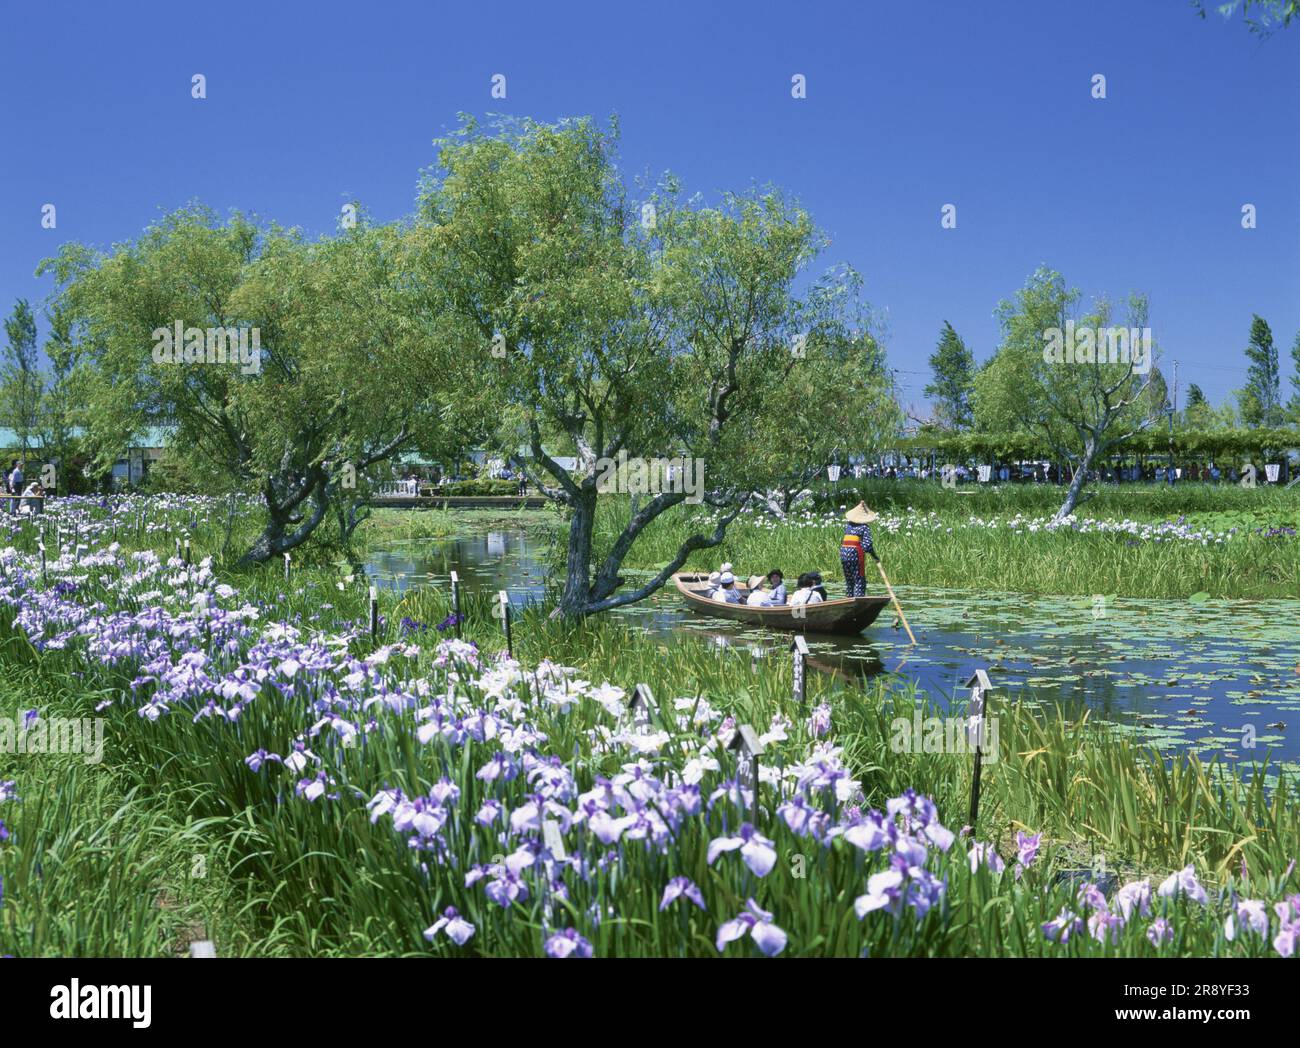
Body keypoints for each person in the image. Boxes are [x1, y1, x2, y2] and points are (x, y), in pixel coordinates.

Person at [839, 501, 879, 598]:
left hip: (843, 553)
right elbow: (867, 545)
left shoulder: (848, 526)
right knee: (859, 579)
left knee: (849, 580)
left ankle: (849, 599)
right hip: (855, 553)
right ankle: (858, 601)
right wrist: (875, 557)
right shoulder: (864, 527)